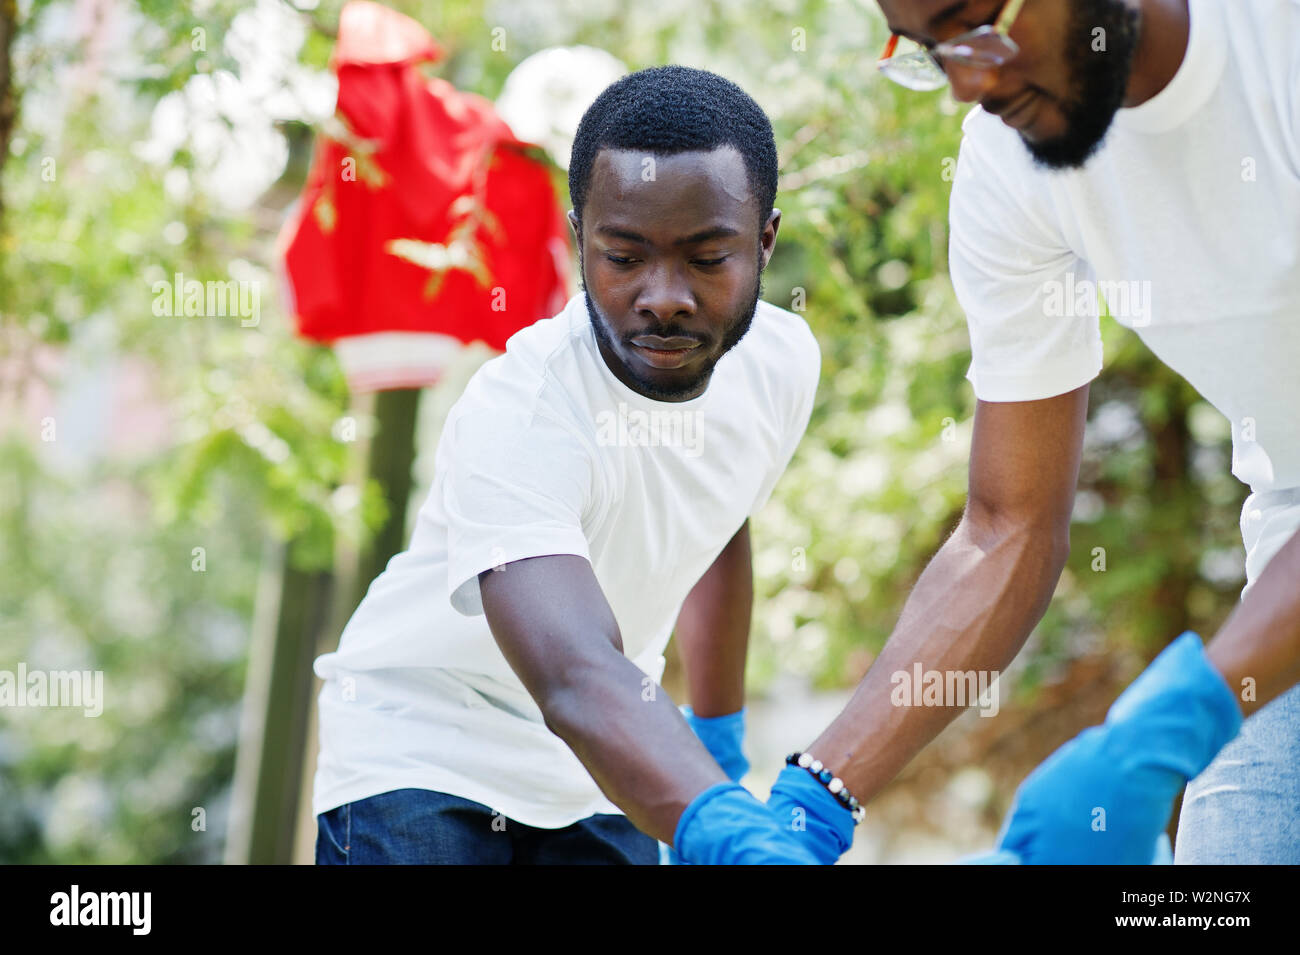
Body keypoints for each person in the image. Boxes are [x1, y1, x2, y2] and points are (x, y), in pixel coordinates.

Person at [770, 0, 1298, 864]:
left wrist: (1170, 719)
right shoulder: (1010, 165)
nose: (967, 85)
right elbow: (1008, 525)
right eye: (930, 52)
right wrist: (820, 787)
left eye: (975, 24)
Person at [311, 65, 831, 864]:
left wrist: (715, 739)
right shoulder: (523, 410)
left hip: (605, 760)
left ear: (763, 240)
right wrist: (717, 816)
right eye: (624, 256)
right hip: (425, 749)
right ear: (577, 238)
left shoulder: (782, 365)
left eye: (706, 258)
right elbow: (575, 673)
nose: (664, 297)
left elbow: (717, 522)